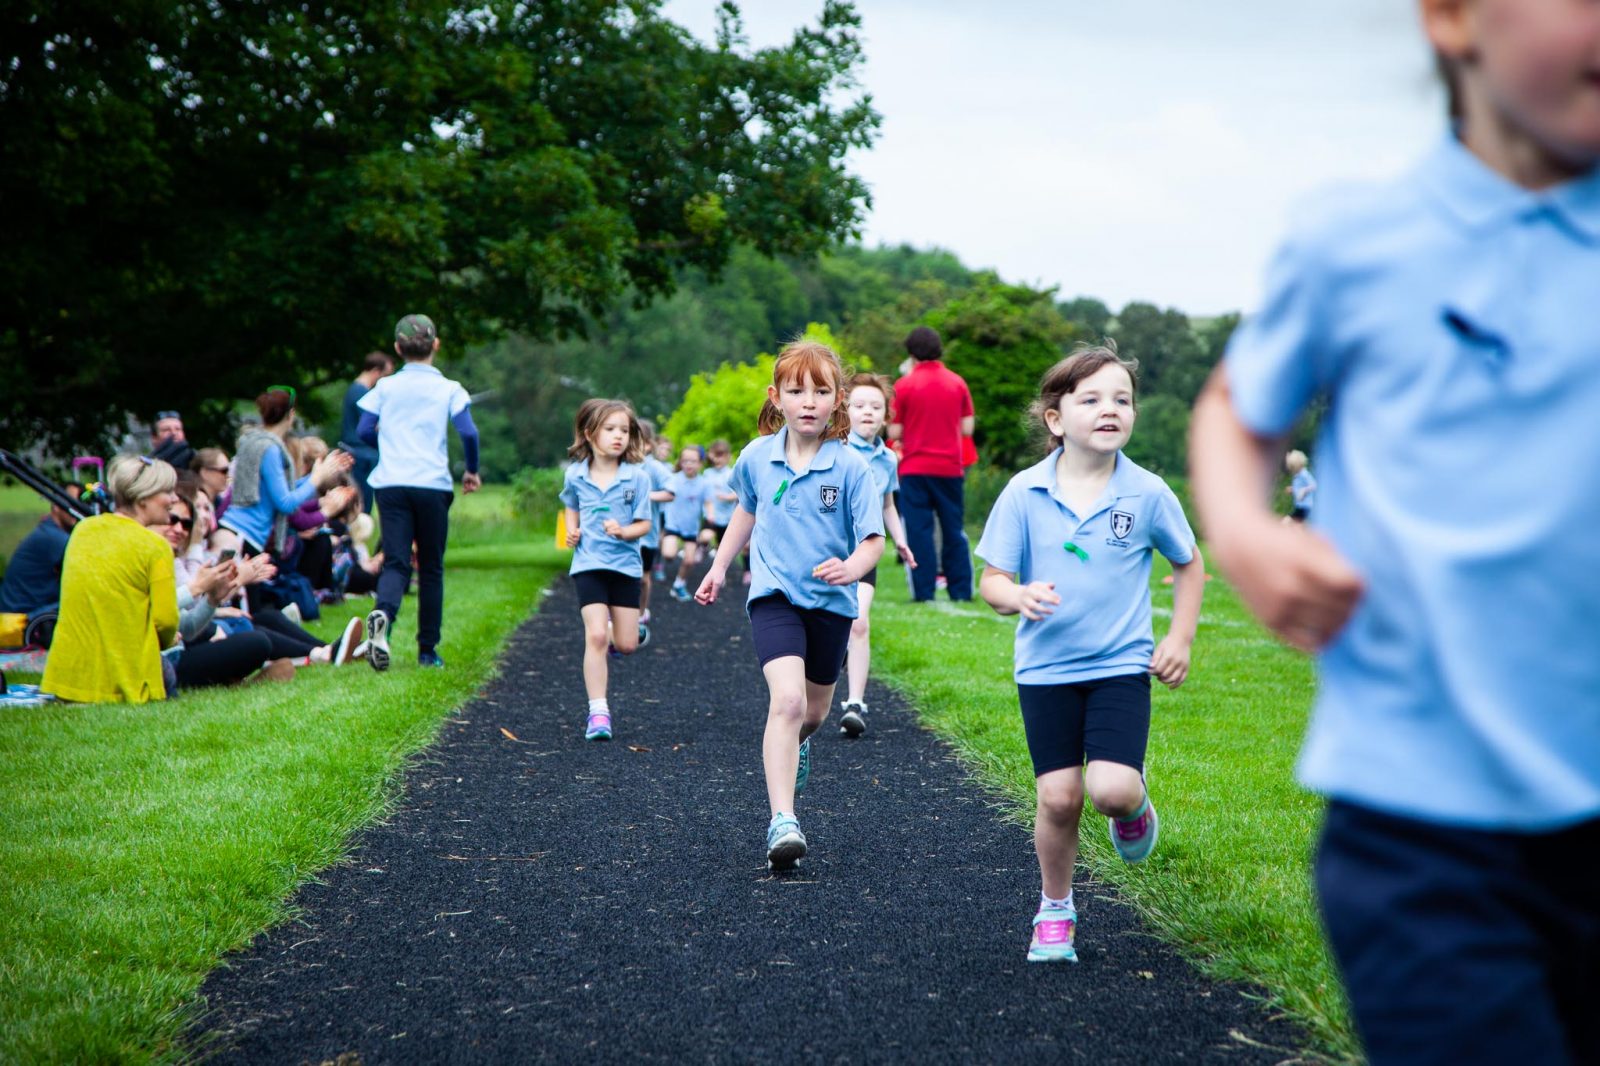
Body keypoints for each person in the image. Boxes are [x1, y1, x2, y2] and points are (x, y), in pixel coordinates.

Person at [1189, 2, 1600, 1059]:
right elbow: (1238, 409)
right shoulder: (1358, 242)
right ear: (1455, 19)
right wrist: (1245, 532)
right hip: (1424, 830)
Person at [976, 344, 1204, 964]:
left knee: (1108, 789)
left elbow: (1188, 563)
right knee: (1058, 798)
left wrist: (1178, 638)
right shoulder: (1024, 493)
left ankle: (1133, 805)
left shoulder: (1148, 493)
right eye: (1093, 399)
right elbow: (991, 580)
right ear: (1056, 418)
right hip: (1045, 672)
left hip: (1120, 669)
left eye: (1122, 400)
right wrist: (1017, 594)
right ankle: (1055, 908)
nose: (1111, 410)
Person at [695, 338, 884, 871]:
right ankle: (783, 820)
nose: (808, 401)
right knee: (788, 702)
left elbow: (873, 540)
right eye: (797, 391)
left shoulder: (851, 468)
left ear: (837, 399)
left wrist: (852, 567)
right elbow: (744, 514)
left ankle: (799, 745)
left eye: (820, 392)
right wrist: (718, 566)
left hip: (831, 603)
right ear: (776, 397)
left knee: (815, 712)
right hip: (773, 596)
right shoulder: (757, 457)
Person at [356, 313, 482, 670]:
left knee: (395, 562)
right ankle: (427, 651)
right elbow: (469, 433)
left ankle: (383, 616)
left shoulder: (385, 387)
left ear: (398, 348)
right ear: (436, 346)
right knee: (430, 567)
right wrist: (471, 471)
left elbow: (365, 429)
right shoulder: (449, 389)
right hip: (431, 485)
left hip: (392, 483)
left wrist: (389, 443)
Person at [41, 456, 180, 703]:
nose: (175, 499)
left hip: (67, 681)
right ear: (143, 497)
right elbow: (165, 622)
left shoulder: (83, 530)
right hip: (121, 682)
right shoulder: (155, 547)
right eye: (168, 491)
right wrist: (169, 640)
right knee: (167, 667)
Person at [559, 399, 656, 741]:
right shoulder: (575, 474)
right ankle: (598, 712)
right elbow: (571, 506)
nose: (618, 436)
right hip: (588, 564)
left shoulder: (638, 478)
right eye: (610, 429)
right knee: (596, 635)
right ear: (589, 433)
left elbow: (644, 524)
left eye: (624, 430)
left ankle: (625, 634)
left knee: (626, 645)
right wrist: (572, 531)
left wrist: (624, 530)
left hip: (626, 567)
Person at [838, 372, 916, 737]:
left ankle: (855, 703)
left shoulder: (887, 459)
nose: (867, 412)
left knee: (860, 620)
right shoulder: (833, 449)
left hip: (865, 552)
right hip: (828, 553)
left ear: (886, 415)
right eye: (859, 405)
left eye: (876, 406)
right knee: (828, 626)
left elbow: (888, 504)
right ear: (845, 409)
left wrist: (900, 540)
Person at [218, 388, 352, 568]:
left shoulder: (253, 442)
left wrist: (321, 476)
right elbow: (285, 503)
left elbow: (277, 491)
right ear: (291, 415)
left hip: (234, 529)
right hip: (246, 534)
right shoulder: (270, 449)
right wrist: (317, 479)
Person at [890, 326, 975, 602]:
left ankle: (924, 592)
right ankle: (961, 591)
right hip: (949, 467)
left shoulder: (903, 386)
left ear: (911, 352)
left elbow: (894, 432)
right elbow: (967, 427)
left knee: (918, 531)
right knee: (953, 529)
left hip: (914, 468)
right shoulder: (957, 382)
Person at [0, 485, 80, 615]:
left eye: (79, 504)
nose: (75, 509)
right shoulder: (53, 538)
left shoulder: (49, 530)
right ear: (56, 505)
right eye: (71, 503)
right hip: (23, 616)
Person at [339, 351, 395, 513]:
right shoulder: (361, 393)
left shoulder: (356, 390)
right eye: (384, 375)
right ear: (375, 371)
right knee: (362, 505)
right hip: (362, 456)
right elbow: (373, 426)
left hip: (359, 454)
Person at [635, 419, 675, 625]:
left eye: (637, 440)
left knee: (642, 577)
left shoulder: (654, 468)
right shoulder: (617, 466)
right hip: (621, 534)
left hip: (646, 536)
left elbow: (671, 493)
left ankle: (642, 612)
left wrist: (647, 496)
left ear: (648, 445)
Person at [660, 445, 709, 603]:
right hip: (673, 525)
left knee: (689, 560)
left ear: (700, 463)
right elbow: (666, 495)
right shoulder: (673, 479)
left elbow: (708, 504)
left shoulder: (703, 483)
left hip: (691, 528)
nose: (689, 464)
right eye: (685, 461)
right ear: (680, 462)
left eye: (693, 461)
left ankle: (679, 585)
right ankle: (665, 553)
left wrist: (710, 520)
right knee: (668, 554)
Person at [697, 440, 740, 571]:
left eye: (721, 455)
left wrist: (727, 497)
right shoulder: (707, 473)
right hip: (711, 514)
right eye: (715, 455)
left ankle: (719, 572)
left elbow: (739, 494)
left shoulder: (731, 473)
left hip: (726, 517)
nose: (717, 459)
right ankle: (702, 546)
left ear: (727, 456)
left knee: (722, 548)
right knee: (706, 535)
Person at [1284, 450, 1316, 522]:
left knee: (1288, 521)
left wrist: (1304, 490)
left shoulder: (1304, 474)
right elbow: (1298, 487)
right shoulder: (1297, 475)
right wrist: (1292, 489)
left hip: (1305, 507)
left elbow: (1313, 485)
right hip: (1299, 506)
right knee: (1289, 522)